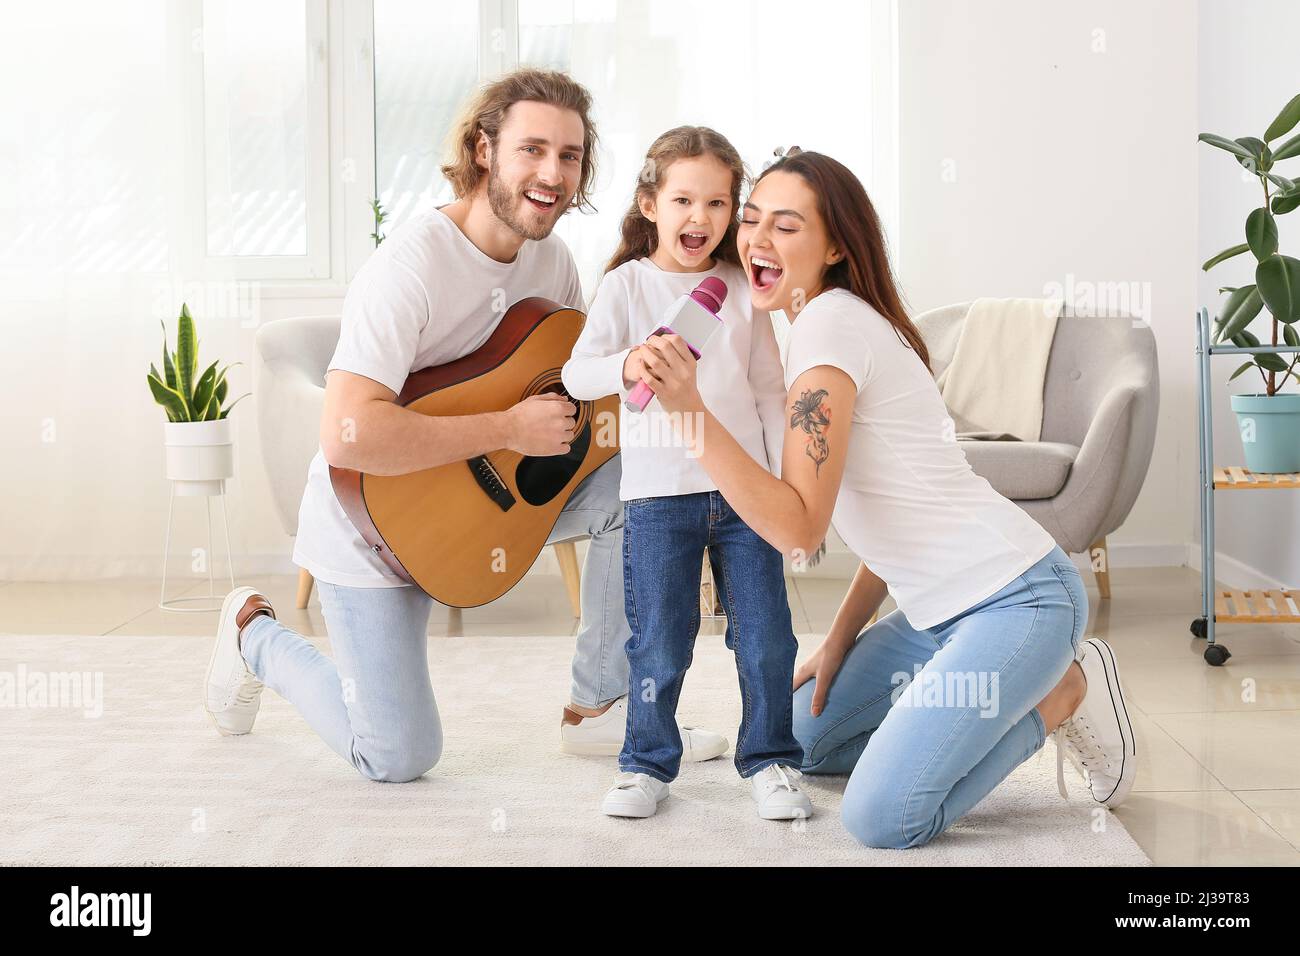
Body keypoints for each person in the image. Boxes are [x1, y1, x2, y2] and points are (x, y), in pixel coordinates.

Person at [203, 68, 724, 781]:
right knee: (395, 757)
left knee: (642, 490)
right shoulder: (410, 267)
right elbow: (347, 434)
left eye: (569, 156)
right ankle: (252, 635)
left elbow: (581, 399)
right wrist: (507, 427)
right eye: (532, 150)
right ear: (484, 151)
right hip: (378, 525)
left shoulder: (553, 265)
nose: (553, 174)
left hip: (486, 516)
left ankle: (598, 711)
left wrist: (657, 385)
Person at [636, 148, 1137, 847]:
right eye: (752, 221)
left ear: (836, 245)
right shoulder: (817, 328)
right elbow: (887, 522)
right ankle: (971, 688)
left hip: (1018, 598)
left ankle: (1062, 692)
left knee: (886, 818)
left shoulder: (829, 331)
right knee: (804, 741)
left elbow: (799, 530)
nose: (756, 240)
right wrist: (839, 645)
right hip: (937, 616)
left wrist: (688, 411)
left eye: (786, 226)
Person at [562, 127, 809, 820]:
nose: (699, 218)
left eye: (718, 204)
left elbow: (767, 387)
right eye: (683, 200)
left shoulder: (739, 288)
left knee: (765, 636)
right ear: (650, 203)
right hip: (656, 499)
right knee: (659, 642)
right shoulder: (626, 285)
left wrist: (782, 481)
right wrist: (628, 364)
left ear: (735, 213)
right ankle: (646, 764)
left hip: (744, 494)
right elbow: (576, 376)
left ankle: (771, 762)